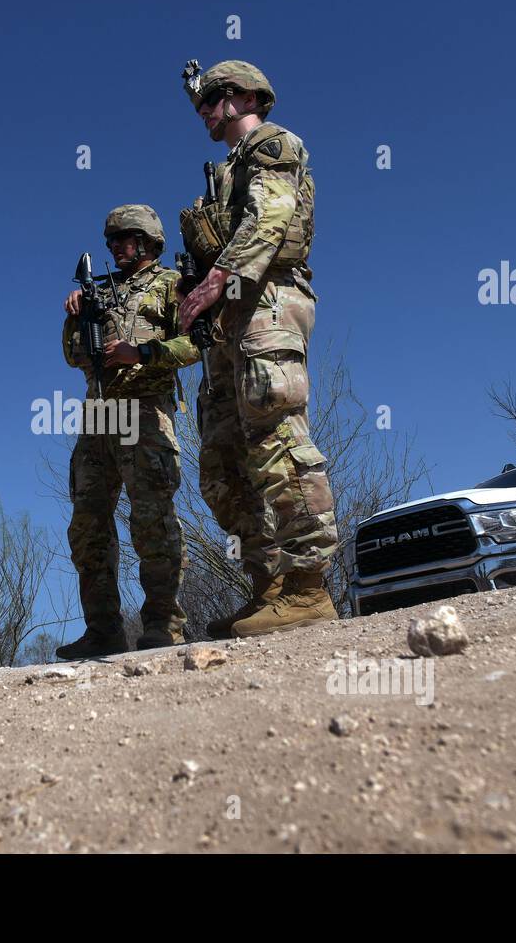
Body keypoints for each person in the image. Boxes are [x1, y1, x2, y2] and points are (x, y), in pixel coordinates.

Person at [176, 60, 340, 637]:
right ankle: (268, 586)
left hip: (266, 299)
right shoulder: (225, 170)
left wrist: (214, 281)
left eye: (211, 99)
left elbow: (271, 218)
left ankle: (307, 587)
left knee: (277, 436)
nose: (202, 111)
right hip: (229, 321)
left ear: (244, 96)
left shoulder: (272, 143)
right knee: (222, 465)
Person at [57, 206, 200, 659]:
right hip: (98, 416)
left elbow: (197, 341)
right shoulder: (97, 292)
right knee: (87, 526)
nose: (116, 247)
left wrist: (141, 353)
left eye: (124, 238)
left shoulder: (171, 284)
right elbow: (72, 356)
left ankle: (163, 622)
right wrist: (74, 316)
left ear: (149, 241)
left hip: (144, 411)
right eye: (111, 241)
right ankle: (103, 630)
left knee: (152, 519)